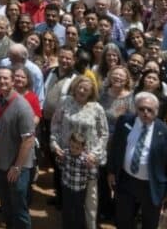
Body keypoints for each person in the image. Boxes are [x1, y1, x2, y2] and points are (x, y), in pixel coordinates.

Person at [108, 91, 167, 229]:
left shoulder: (166, 133)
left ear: (157, 111)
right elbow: (115, 148)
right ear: (136, 109)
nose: (145, 112)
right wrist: (111, 171)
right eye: (141, 109)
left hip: (151, 185)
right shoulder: (125, 121)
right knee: (123, 220)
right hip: (126, 180)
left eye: (150, 110)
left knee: (150, 223)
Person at [56, 73, 111, 229]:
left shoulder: (97, 108)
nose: (82, 91)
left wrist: (94, 155)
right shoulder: (65, 102)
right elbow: (56, 125)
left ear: (91, 91)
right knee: (68, 196)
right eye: (80, 87)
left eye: (86, 89)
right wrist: (55, 145)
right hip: (67, 157)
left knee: (89, 200)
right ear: (75, 87)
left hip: (88, 161)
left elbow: (104, 133)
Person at [0, 66, 38, 229]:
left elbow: (28, 141)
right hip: (0, 163)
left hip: (18, 166)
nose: (2, 81)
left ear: (12, 82)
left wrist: (17, 167)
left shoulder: (23, 107)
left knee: (19, 208)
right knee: (5, 204)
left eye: (6, 78)